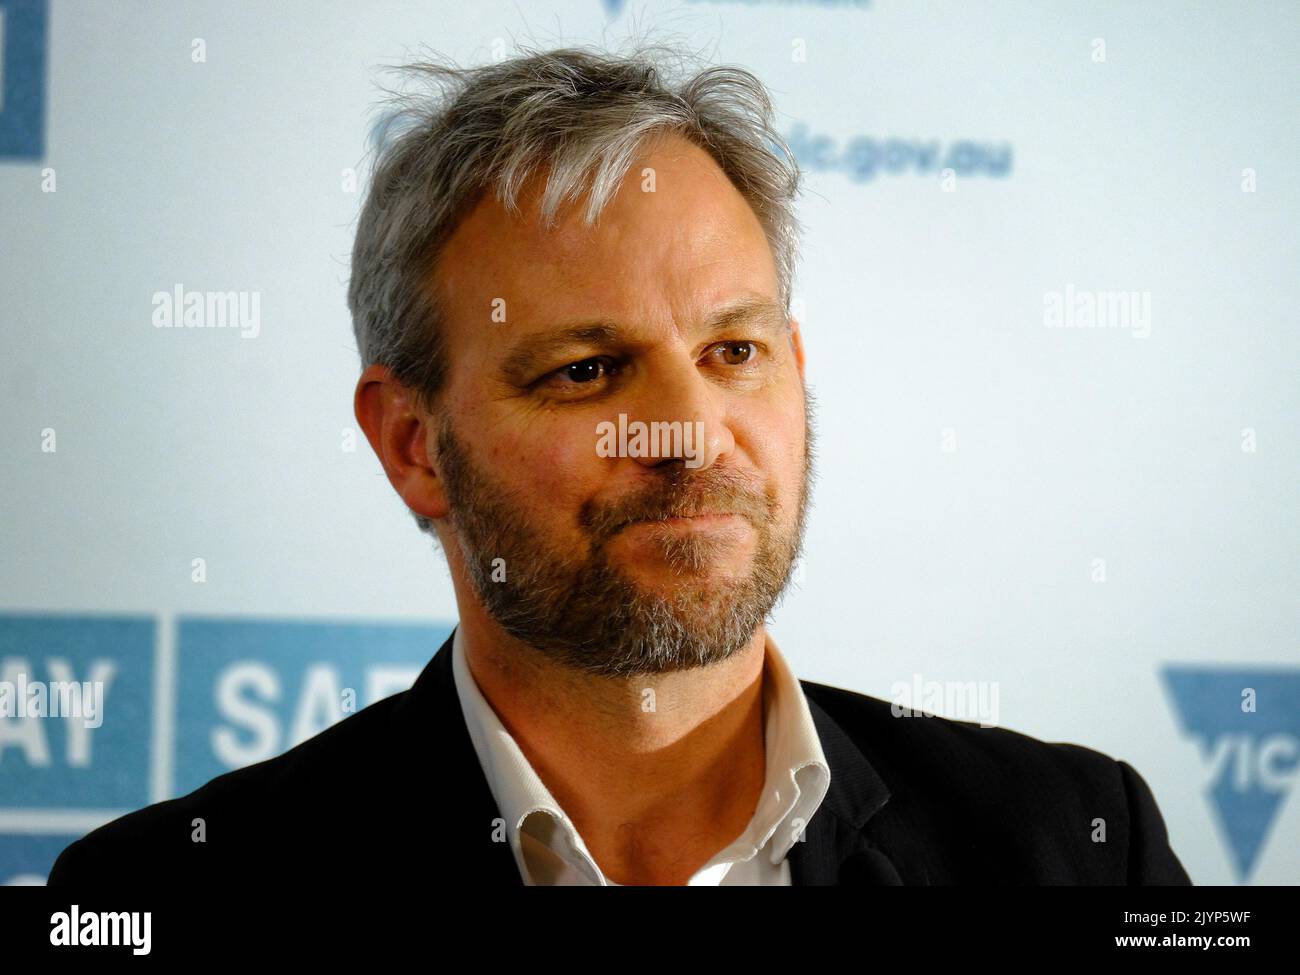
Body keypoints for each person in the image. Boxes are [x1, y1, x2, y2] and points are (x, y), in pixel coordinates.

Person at [48, 44, 1191, 887]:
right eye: (587, 372)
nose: (689, 433)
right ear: (412, 445)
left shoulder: (1076, 843)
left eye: (732, 352)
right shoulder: (164, 893)